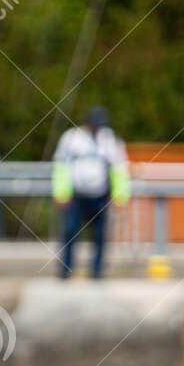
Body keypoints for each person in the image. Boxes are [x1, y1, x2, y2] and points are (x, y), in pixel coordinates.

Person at [52, 107, 131, 280]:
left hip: (100, 196)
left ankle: (97, 271)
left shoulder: (109, 140)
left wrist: (120, 195)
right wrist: (61, 193)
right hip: (76, 196)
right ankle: (65, 271)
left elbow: (119, 168)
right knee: (70, 232)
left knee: (100, 235)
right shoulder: (71, 138)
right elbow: (60, 167)